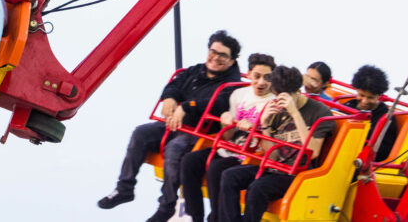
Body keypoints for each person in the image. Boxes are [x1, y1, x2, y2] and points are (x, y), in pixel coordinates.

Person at [98, 30, 242, 222]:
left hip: (201, 132)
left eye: (222, 55)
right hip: (176, 125)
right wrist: (170, 98)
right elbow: (175, 84)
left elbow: (219, 103)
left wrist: (188, 107)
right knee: (141, 133)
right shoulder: (195, 71)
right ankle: (125, 188)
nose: (215, 58)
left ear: (232, 61)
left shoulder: (231, 85)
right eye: (213, 51)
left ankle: (167, 204)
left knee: (174, 149)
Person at [216, 65, 335, 222]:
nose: (282, 102)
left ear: (298, 92)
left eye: (287, 97)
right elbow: (272, 156)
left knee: (257, 188)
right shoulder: (276, 109)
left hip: (299, 175)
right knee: (229, 176)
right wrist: (264, 124)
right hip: (274, 168)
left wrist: (294, 113)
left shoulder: (321, 113)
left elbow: (313, 151)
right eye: (278, 96)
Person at [180, 53, 275, 222]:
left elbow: (272, 135)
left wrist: (254, 126)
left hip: (251, 154)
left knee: (217, 168)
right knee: (190, 161)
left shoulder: (273, 102)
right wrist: (226, 122)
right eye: (257, 76)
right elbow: (227, 136)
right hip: (229, 147)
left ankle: (217, 217)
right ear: (249, 74)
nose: (261, 82)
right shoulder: (238, 94)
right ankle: (195, 216)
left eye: (267, 78)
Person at [345, 64, 398, 162]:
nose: (364, 101)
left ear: (379, 96)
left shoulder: (386, 118)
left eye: (370, 98)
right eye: (361, 95)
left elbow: (383, 152)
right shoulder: (348, 105)